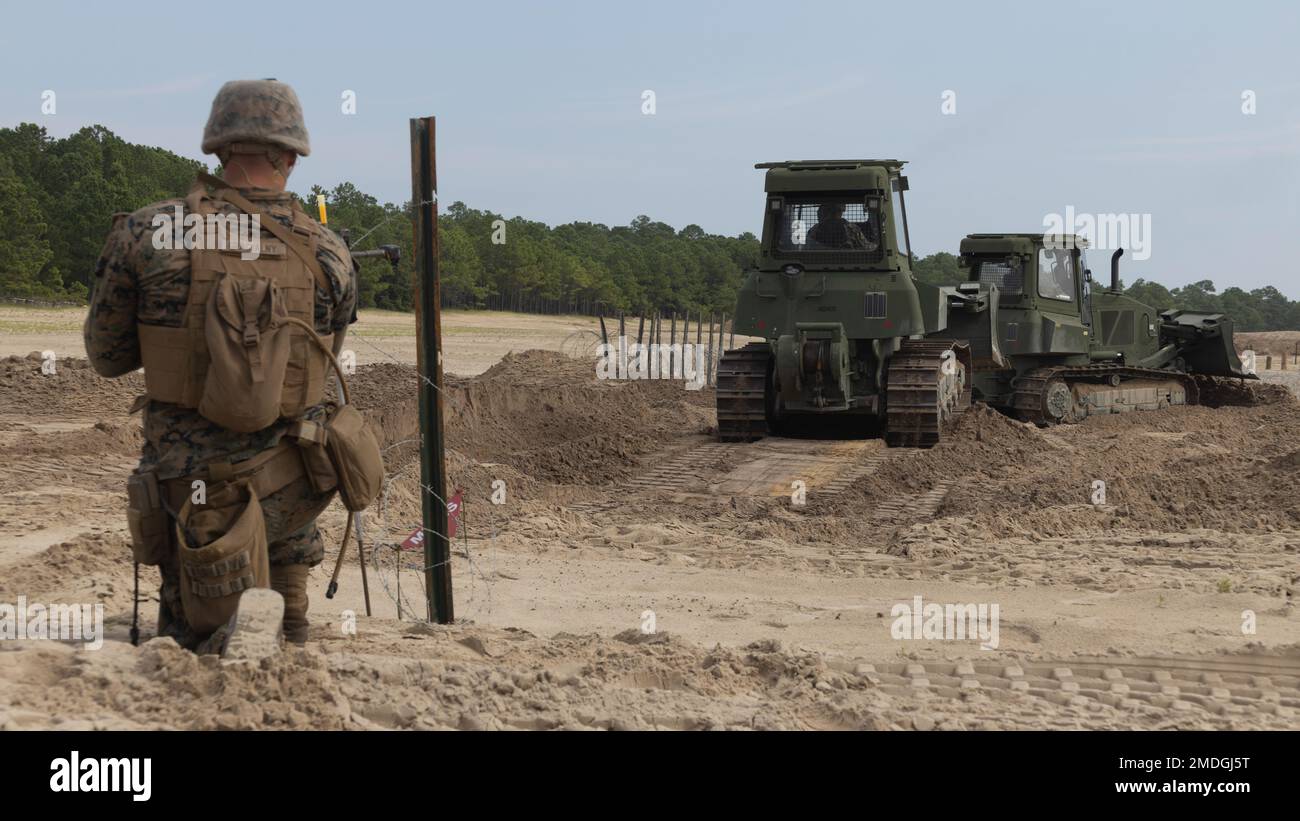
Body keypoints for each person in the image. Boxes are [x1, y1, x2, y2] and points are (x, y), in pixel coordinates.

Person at [84, 79, 357, 653]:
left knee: (193, 642)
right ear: (290, 156)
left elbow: (107, 358)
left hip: (192, 489)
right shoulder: (330, 252)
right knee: (288, 627)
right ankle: (290, 642)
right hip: (291, 482)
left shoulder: (146, 232)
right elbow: (318, 364)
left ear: (218, 150)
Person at [806, 203, 873, 250]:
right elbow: (867, 247)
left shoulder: (814, 230)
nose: (818, 214)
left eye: (819, 211)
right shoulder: (850, 228)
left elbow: (808, 248)